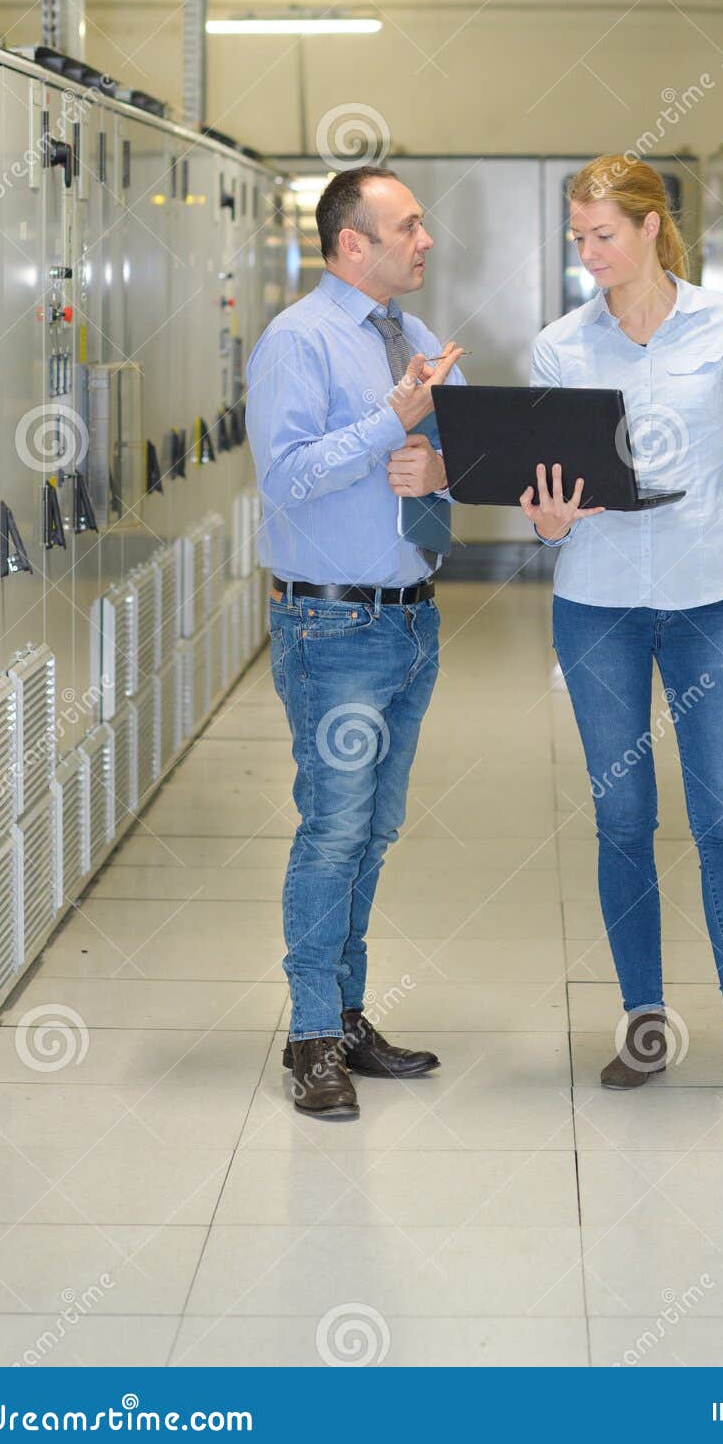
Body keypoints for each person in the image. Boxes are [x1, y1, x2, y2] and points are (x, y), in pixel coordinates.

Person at [522, 154, 723, 1109]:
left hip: (706, 596)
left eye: (602, 235)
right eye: (578, 238)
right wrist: (551, 516)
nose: (589, 254)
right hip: (597, 602)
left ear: (652, 229)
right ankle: (644, 1028)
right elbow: (542, 503)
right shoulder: (559, 348)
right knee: (622, 820)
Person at [245, 165, 465, 1120]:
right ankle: (307, 1040)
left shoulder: (410, 338)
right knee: (332, 830)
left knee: (374, 831)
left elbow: (434, 476)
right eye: (407, 227)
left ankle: (343, 1014)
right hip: (330, 623)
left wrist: (435, 465)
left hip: (411, 615)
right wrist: (393, 424)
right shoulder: (298, 340)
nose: (424, 241)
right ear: (352, 246)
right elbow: (285, 477)